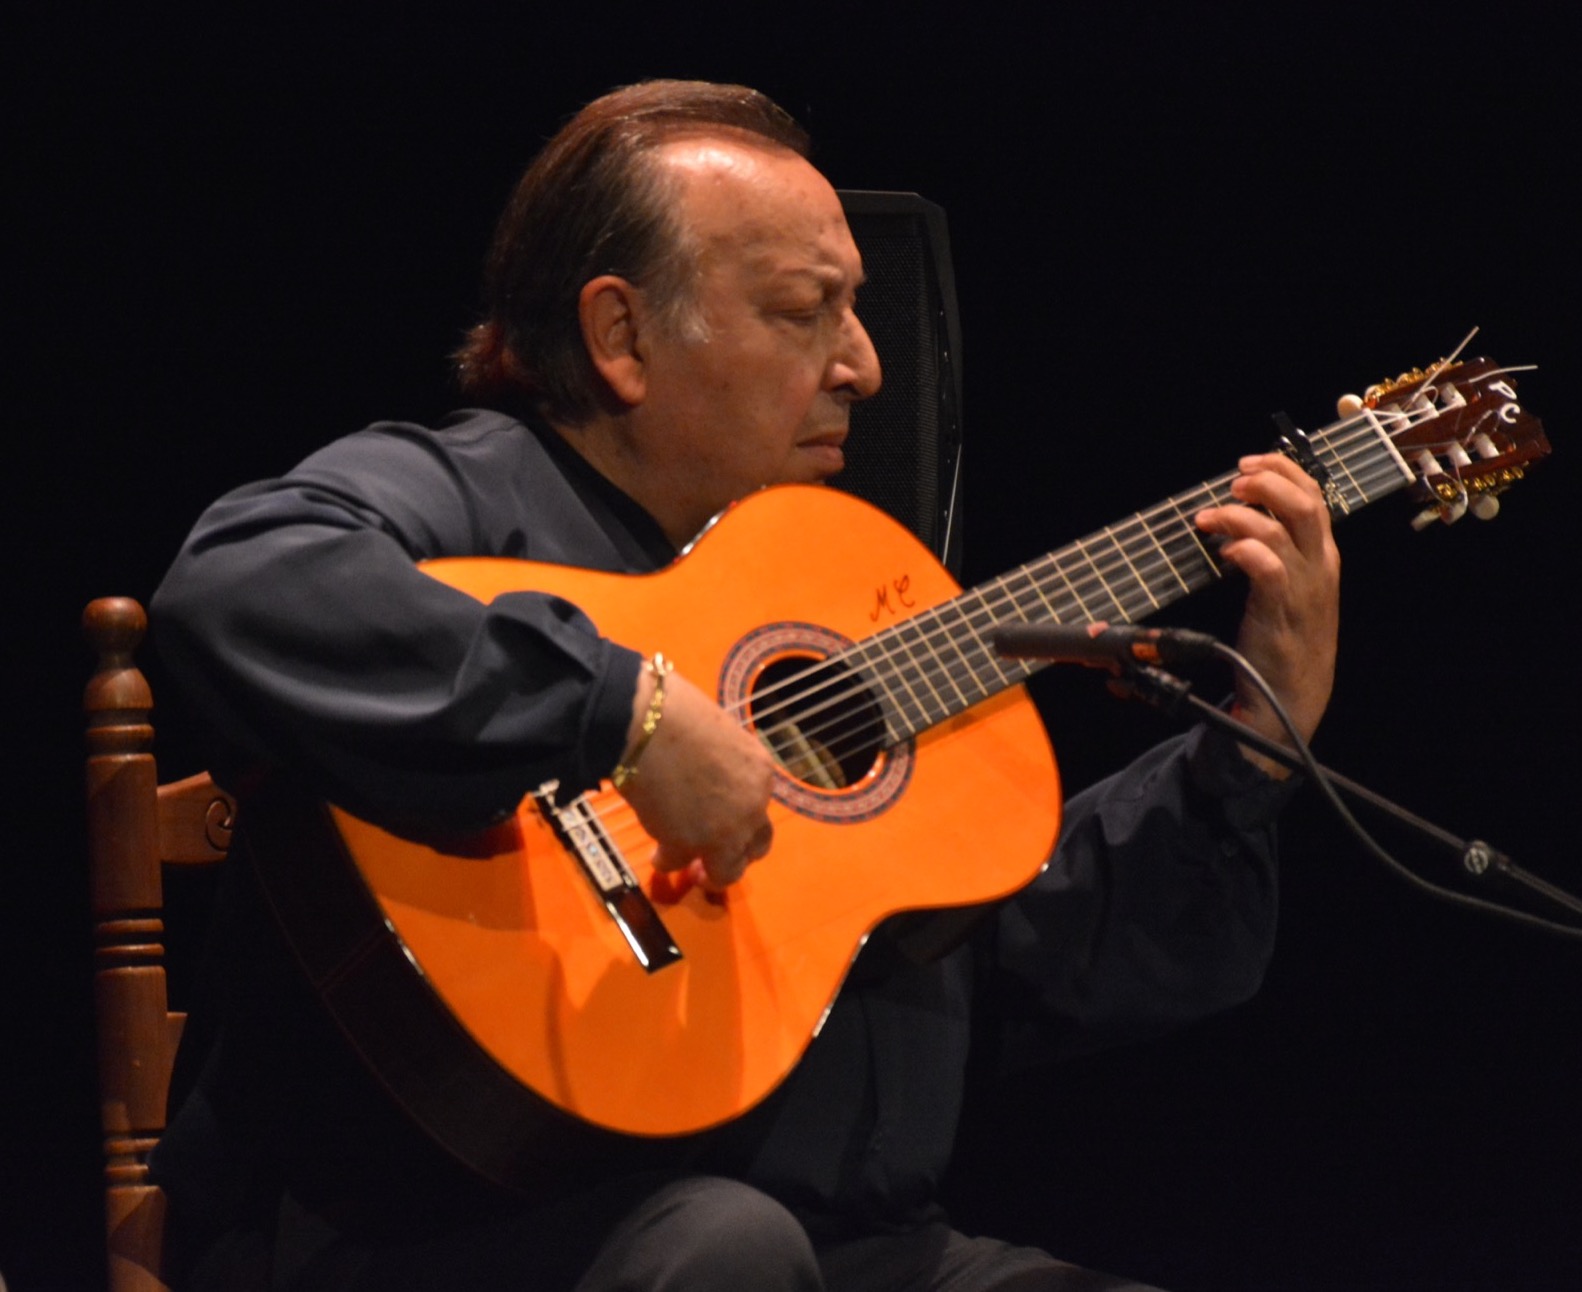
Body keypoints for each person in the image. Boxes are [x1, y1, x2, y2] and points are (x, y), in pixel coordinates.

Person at [149, 79, 1340, 1291]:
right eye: (802, 311)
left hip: (851, 1243)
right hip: (448, 1228)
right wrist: (627, 715)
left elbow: (1010, 944)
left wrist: (1246, 747)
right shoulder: (470, 491)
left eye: (857, 314)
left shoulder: (819, 583)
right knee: (727, 1248)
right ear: (621, 337)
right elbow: (244, 581)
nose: (864, 369)